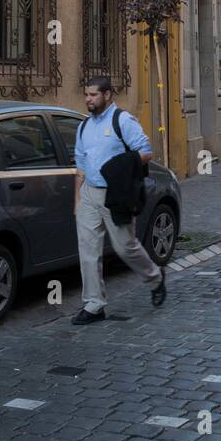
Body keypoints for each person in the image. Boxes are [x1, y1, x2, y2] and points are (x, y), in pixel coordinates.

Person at [72, 76, 166, 324]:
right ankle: (94, 305)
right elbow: (80, 165)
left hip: (116, 196)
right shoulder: (84, 127)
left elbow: (146, 151)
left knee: (125, 247)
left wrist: (122, 163)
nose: (88, 99)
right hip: (89, 194)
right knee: (88, 251)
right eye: (86, 94)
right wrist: (77, 200)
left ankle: (155, 277)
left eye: (93, 94)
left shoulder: (122, 120)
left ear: (107, 95)